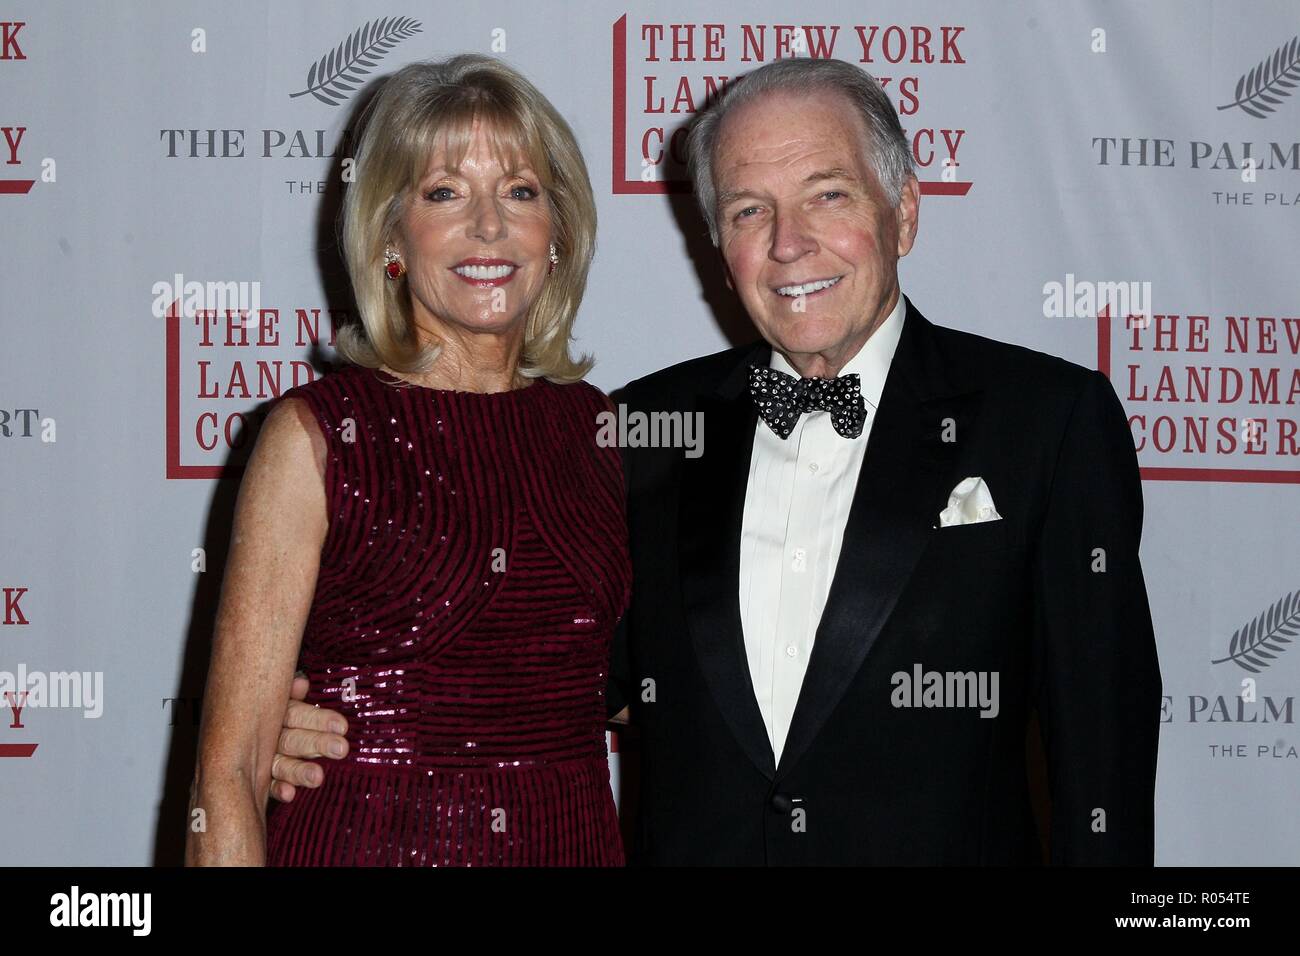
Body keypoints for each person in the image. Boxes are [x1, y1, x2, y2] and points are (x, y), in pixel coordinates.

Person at [268, 57, 1162, 865]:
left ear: (905, 214)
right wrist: (331, 719)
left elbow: (1104, 769)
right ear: (716, 243)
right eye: (748, 210)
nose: (787, 243)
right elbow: (555, 672)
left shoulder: (1046, 422)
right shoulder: (641, 429)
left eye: (829, 195)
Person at [186, 54, 630, 866]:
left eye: (521, 192)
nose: (489, 226)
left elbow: (655, 681)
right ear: (390, 236)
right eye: (445, 192)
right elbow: (230, 775)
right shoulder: (315, 436)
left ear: (558, 235)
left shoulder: (601, 431)